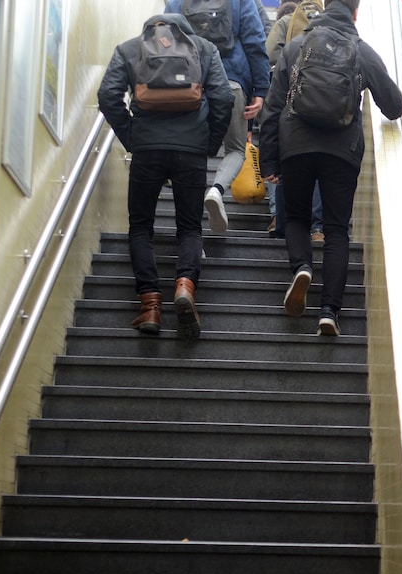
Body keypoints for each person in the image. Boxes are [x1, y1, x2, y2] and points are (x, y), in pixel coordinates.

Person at [259, 0, 402, 335]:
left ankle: (302, 267)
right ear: (355, 13)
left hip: (295, 145)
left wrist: (269, 158)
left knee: (296, 217)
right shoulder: (360, 50)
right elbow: (394, 106)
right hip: (342, 151)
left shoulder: (297, 46)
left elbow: (273, 104)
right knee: (337, 229)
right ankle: (329, 313)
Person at [97, 14, 233, 339]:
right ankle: (185, 287)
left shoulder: (129, 49)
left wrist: (132, 137)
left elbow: (107, 96)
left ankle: (150, 305)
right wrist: (209, 143)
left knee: (141, 227)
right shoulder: (204, 49)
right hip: (191, 150)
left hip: (147, 148)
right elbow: (224, 98)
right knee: (189, 227)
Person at [165, 0, 270, 234]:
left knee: (192, 155)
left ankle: (191, 234)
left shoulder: (177, 2)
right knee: (235, 149)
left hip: (188, 85)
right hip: (231, 82)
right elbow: (255, 41)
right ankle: (217, 190)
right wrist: (261, 90)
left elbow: (163, 40)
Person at [264, 0, 324, 241]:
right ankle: (318, 227)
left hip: (291, 109)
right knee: (320, 171)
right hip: (325, 111)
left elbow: (270, 55)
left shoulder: (285, 23)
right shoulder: (331, 28)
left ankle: (282, 221)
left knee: (286, 168)